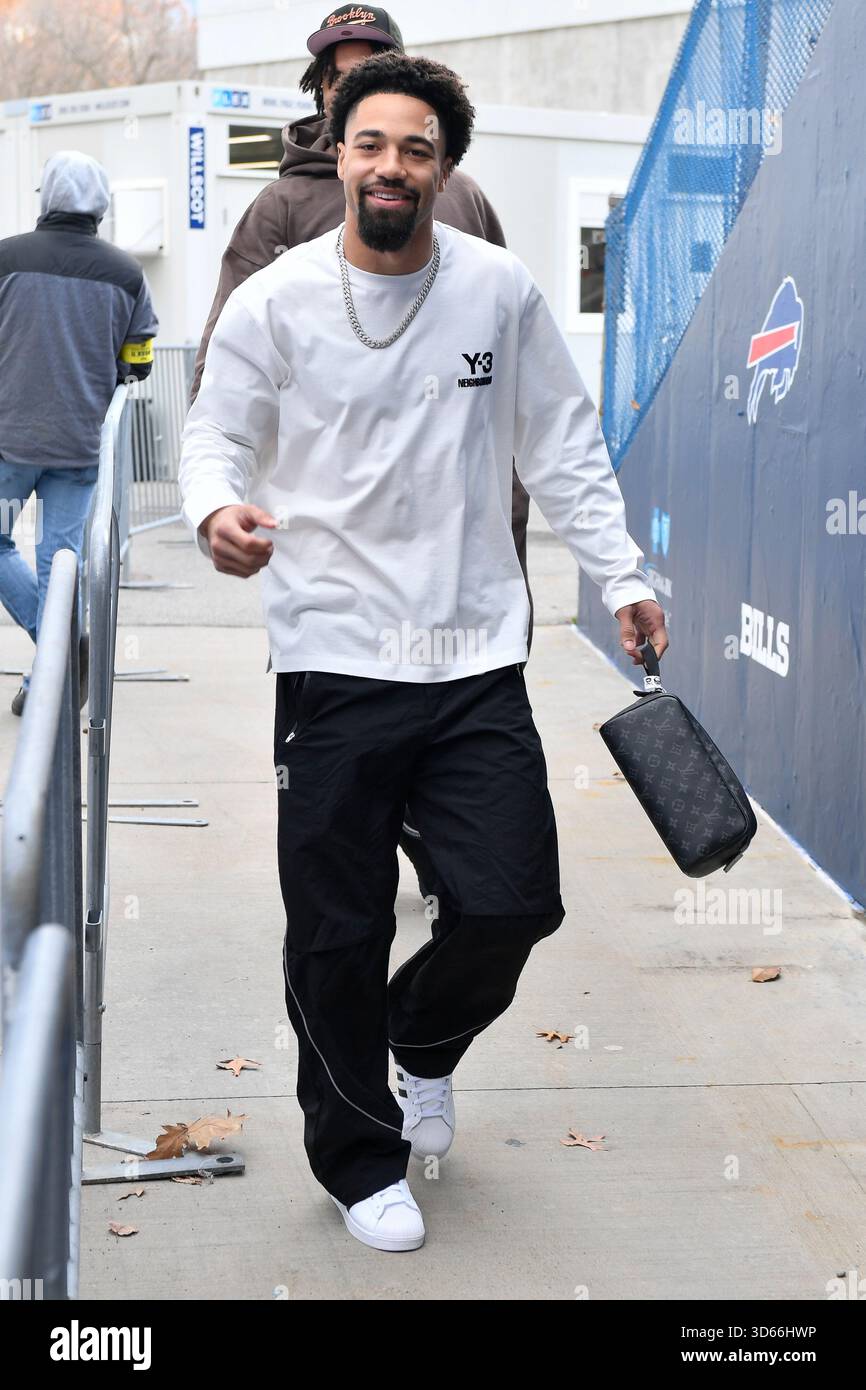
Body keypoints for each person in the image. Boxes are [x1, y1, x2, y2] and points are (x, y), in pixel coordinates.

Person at [178, 52, 668, 1253]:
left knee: (511, 904)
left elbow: (560, 442)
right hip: (334, 661)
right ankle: (358, 1156)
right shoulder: (276, 298)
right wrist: (212, 512)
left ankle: (422, 1040)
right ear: (336, 153)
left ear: (442, 168)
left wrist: (619, 573)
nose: (391, 166)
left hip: (470, 660)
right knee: (335, 928)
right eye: (370, 143)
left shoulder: (496, 290)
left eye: (416, 149)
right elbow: (212, 435)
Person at [189, 7, 532, 899]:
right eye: (339, 70)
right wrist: (215, 495)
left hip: (462, 579)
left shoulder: (462, 198)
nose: (353, 76)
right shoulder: (282, 205)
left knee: (496, 881)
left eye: (371, 60)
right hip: (335, 600)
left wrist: (519, 517)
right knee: (339, 881)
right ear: (325, 101)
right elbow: (225, 373)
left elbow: (513, 359)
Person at [0, 150, 158, 714]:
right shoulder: (125, 272)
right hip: (77, 448)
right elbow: (139, 357)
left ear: (45, 198)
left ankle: (54, 657)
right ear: (100, 204)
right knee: (60, 563)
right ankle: (58, 658)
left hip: (8, 445)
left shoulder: (6, 258)